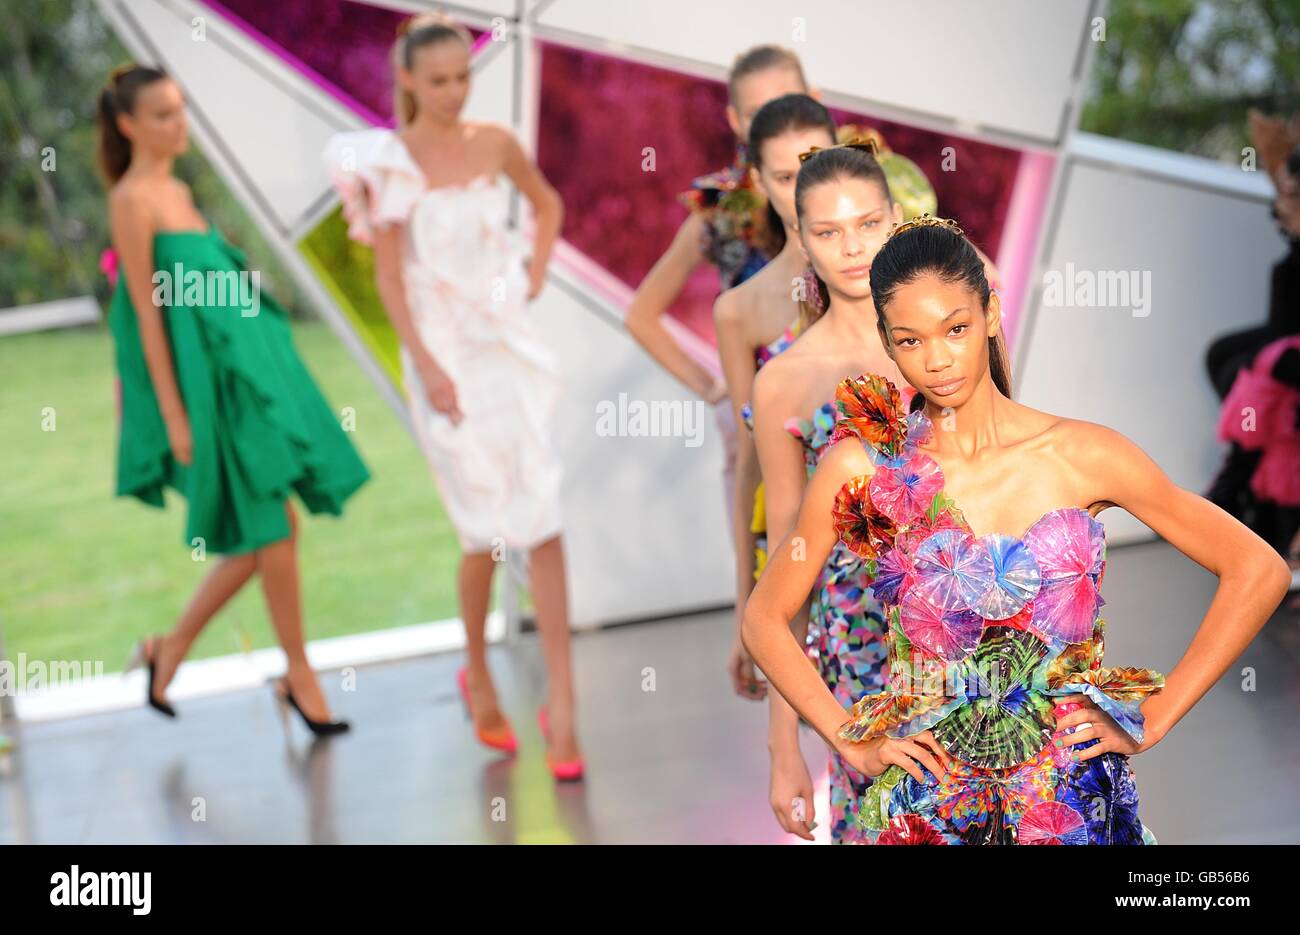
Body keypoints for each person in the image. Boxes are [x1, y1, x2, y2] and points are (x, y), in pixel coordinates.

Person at [743, 214, 1291, 844]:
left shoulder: (1084, 453)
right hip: (932, 807)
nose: (938, 359)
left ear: (991, 314)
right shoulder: (861, 466)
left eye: (955, 329)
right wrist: (851, 740)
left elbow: (1259, 567)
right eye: (911, 340)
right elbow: (765, 615)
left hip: (1068, 803)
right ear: (888, 344)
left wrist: (1157, 715)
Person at [322, 13, 581, 779]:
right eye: (436, 80)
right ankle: (479, 669)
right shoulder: (389, 163)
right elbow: (391, 280)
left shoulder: (495, 142)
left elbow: (548, 204)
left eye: (461, 77)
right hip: (443, 357)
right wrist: (429, 366)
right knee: (484, 530)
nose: (451, 92)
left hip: (506, 342)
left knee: (546, 512)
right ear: (406, 79)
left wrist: (534, 268)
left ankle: (564, 704)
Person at [99, 64, 370, 735]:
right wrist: (172, 413)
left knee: (269, 532)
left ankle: (173, 650)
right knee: (270, 529)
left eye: (181, 109)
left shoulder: (177, 188)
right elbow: (144, 312)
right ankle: (296, 673)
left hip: (246, 377)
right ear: (127, 124)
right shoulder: (133, 199)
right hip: (207, 390)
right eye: (162, 114)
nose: (178, 124)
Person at [714, 93, 838, 702]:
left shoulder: (896, 280)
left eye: (817, 163)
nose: (804, 187)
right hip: (806, 560)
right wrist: (748, 608)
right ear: (758, 181)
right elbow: (751, 467)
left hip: (914, 546)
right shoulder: (741, 311)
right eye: (786, 176)